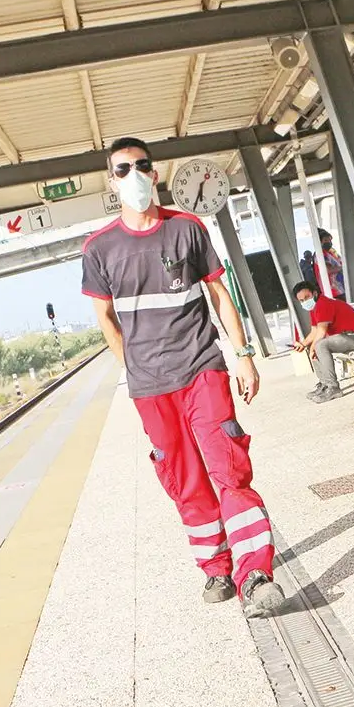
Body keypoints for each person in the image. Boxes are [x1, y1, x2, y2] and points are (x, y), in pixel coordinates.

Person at [82, 136, 286, 618]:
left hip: (202, 370)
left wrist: (243, 355)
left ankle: (255, 574)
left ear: (155, 174)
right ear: (111, 182)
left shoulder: (187, 228)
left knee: (229, 468)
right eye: (122, 169)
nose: (134, 175)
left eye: (141, 166)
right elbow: (105, 319)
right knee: (185, 479)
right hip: (151, 387)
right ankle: (216, 568)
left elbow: (220, 295)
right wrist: (134, 366)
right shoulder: (99, 248)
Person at [292, 280, 354, 403]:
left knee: (320, 345)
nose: (305, 302)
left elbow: (321, 332)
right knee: (314, 345)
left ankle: (333, 387)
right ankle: (324, 384)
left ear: (314, 293)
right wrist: (303, 344)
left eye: (307, 297)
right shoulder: (314, 307)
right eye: (301, 300)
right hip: (346, 338)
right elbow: (314, 332)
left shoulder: (323, 304)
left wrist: (313, 348)